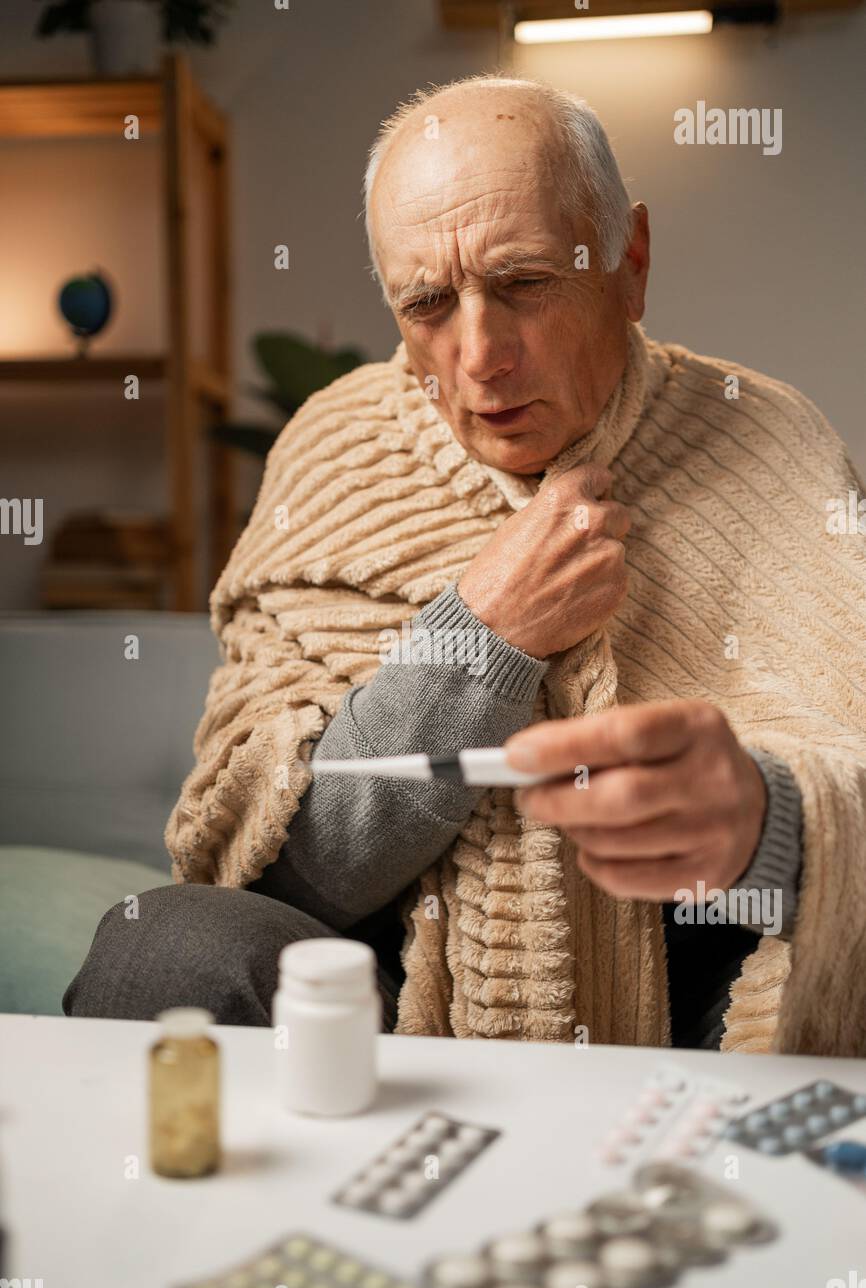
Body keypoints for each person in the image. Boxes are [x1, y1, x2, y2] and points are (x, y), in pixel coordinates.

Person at [65, 76, 866, 1057]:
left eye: (524, 281)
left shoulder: (766, 436)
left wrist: (763, 830)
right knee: (170, 949)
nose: (478, 353)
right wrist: (479, 636)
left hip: (704, 1001)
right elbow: (280, 870)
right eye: (428, 303)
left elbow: (847, 794)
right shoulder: (334, 448)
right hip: (393, 998)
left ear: (630, 263)